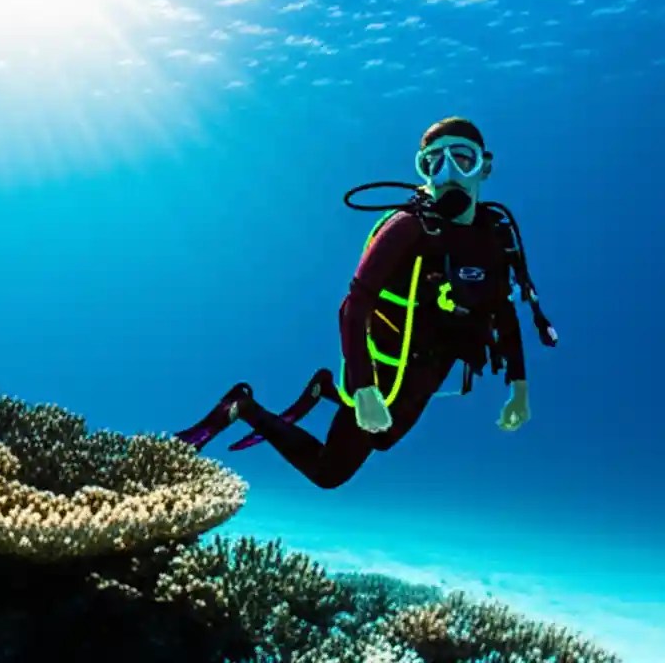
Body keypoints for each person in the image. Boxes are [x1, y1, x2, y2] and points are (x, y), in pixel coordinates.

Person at [174, 116, 558, 489]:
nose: (448, 171)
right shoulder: (407, 227)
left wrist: (520, 390)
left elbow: (504, 313)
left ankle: (325, 389)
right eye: (433, 162)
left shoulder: (495, 237)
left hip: (431, 368)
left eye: (462, 157)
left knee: (383, 440)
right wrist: (365, 391)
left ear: (484, 166)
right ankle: (243, 406)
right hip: (383, 370)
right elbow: (352, 309)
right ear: (423, 170)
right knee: (329, 474)